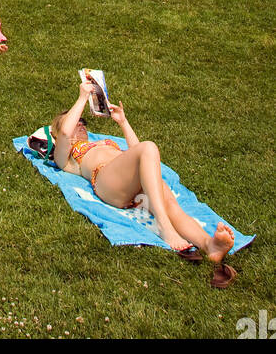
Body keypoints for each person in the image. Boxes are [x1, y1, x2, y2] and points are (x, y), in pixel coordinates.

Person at [51, 79, 236, 284]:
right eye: (74, 120)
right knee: (149, 147)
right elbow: (66, 133)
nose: (80, 124)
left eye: (82, 122)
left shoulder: (102, 142)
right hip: (107, 183)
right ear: (56, 134)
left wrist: (123, 122)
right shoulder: (66, 158)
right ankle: (165, 228)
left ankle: (209, 245)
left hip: (131, 180)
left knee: (171, 204)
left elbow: (142, 155)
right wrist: (83, 97)